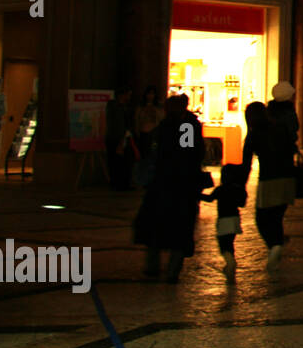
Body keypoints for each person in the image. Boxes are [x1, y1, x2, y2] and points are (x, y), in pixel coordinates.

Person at [133, 95, 205, 282]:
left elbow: (184, 154)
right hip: (177, 186)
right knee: (176, 229)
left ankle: (157, 268)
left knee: (160, 228)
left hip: (169, 185)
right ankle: (168, 270)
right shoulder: (183, 125)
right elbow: (190, 154)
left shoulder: (177, 126)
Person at [243, 100, 296, 270]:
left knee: (262, 219)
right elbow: (292, 147)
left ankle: (274, 245)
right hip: (287, 179)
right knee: (277, 217)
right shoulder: (280, 127)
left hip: (268, 180)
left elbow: (246, 163)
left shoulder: (254, 134)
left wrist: (241, 185)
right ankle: (276, 247)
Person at [202, 163, 247, 283]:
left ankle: (230, 262)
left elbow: (209, 199)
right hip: (235, 220)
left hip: (223, 220)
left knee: (223, 244)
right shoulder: (239, 189)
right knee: (230, 243)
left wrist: (195, 195)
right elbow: (242, 204)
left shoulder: (220, 189)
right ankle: (230, 266)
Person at [105, 87, 134, 190]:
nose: (129, 97)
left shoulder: (123, 107)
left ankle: (121, 183)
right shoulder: (115, 107)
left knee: (122, 162)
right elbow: (117, 124)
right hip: (116, 137)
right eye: (128, 95)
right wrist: (121, 139)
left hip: (121, 136)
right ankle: (118, 183)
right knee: (116, 161)